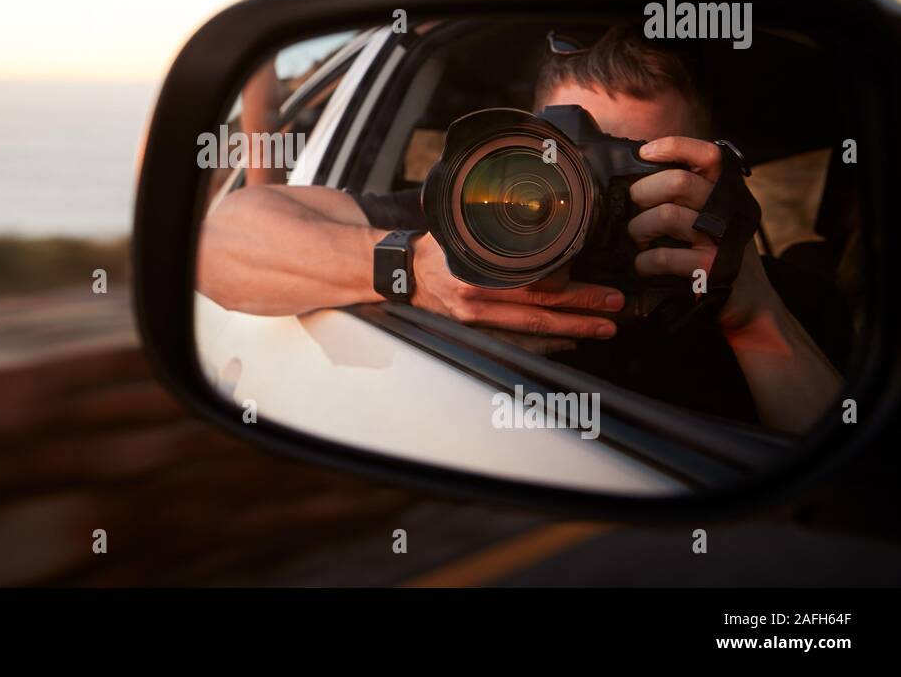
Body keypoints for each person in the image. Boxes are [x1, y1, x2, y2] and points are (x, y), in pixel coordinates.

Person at [197, 25, 847, 434]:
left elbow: (851, 492)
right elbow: (220, 246)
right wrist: (411, 272)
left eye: (639, 166)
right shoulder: (458, 232)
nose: (588, 197)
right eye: (565, 161)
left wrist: (753, 315)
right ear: (518, 144)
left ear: (704, 174)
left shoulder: (770, 295)